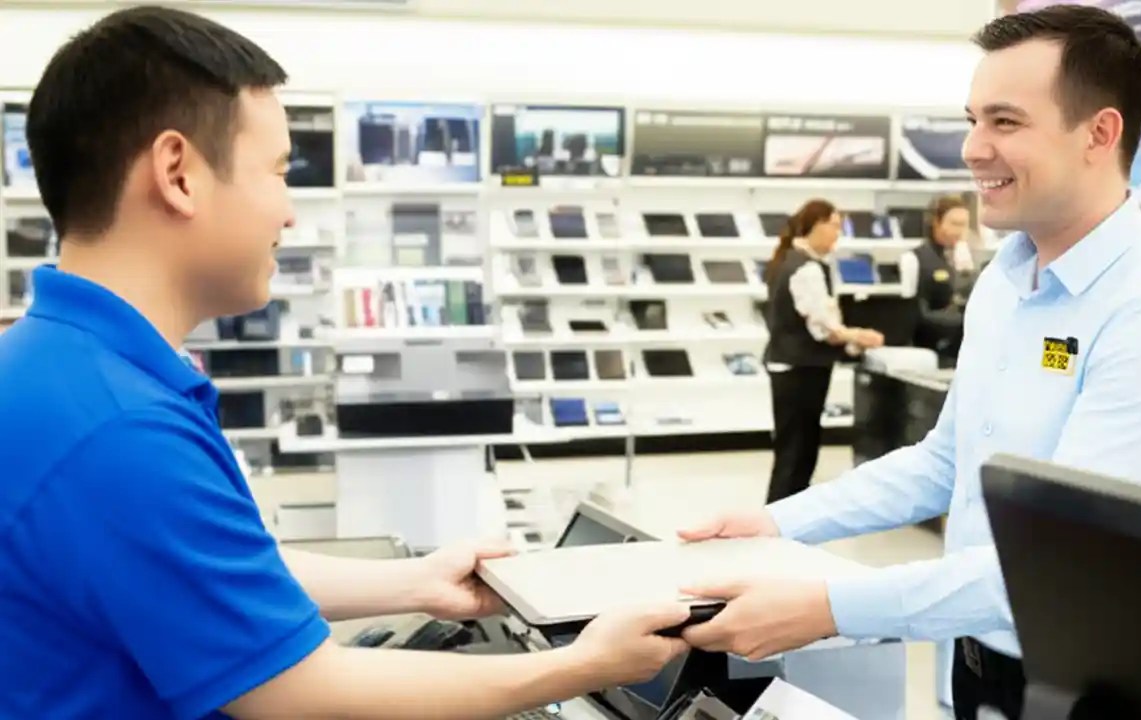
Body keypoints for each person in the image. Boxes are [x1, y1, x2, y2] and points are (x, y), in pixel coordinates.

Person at [0, 7, 689, 719]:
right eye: (277, 171)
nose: (290, 212)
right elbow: (305, 695)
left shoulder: (56, 366)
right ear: (178, 174)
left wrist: (416, 583)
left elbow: (208, 575)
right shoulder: (120, 429)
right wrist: (578, 665)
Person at [675, 7, 1141, 720]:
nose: (971, 148)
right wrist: (778, 524)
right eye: (972, 119)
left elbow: (1059, 569)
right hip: (975, 661)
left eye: (1005, 122)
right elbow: (945, 462)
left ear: (1101, 132)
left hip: (1094, 690)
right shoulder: (1004, 281)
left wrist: (827, 607)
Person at [762, 199, 885, 504]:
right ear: (815, 225)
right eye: (834, 227)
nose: (837, 235)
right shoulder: (806, 269)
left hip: (791, 366)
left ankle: (782, 517)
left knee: (794, 447)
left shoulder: (790, 261)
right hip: (801, 369)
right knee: (797, 451)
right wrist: (858, 336)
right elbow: (824, 328)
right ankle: (780, 519)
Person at [911, 193, 974, 364]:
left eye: (964, 225)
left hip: (961, 346)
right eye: (954, 224)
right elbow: (918, 314)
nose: (960, 231)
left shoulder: (966, 259)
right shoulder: (918, 258)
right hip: (930, 345)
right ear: (936, 223)